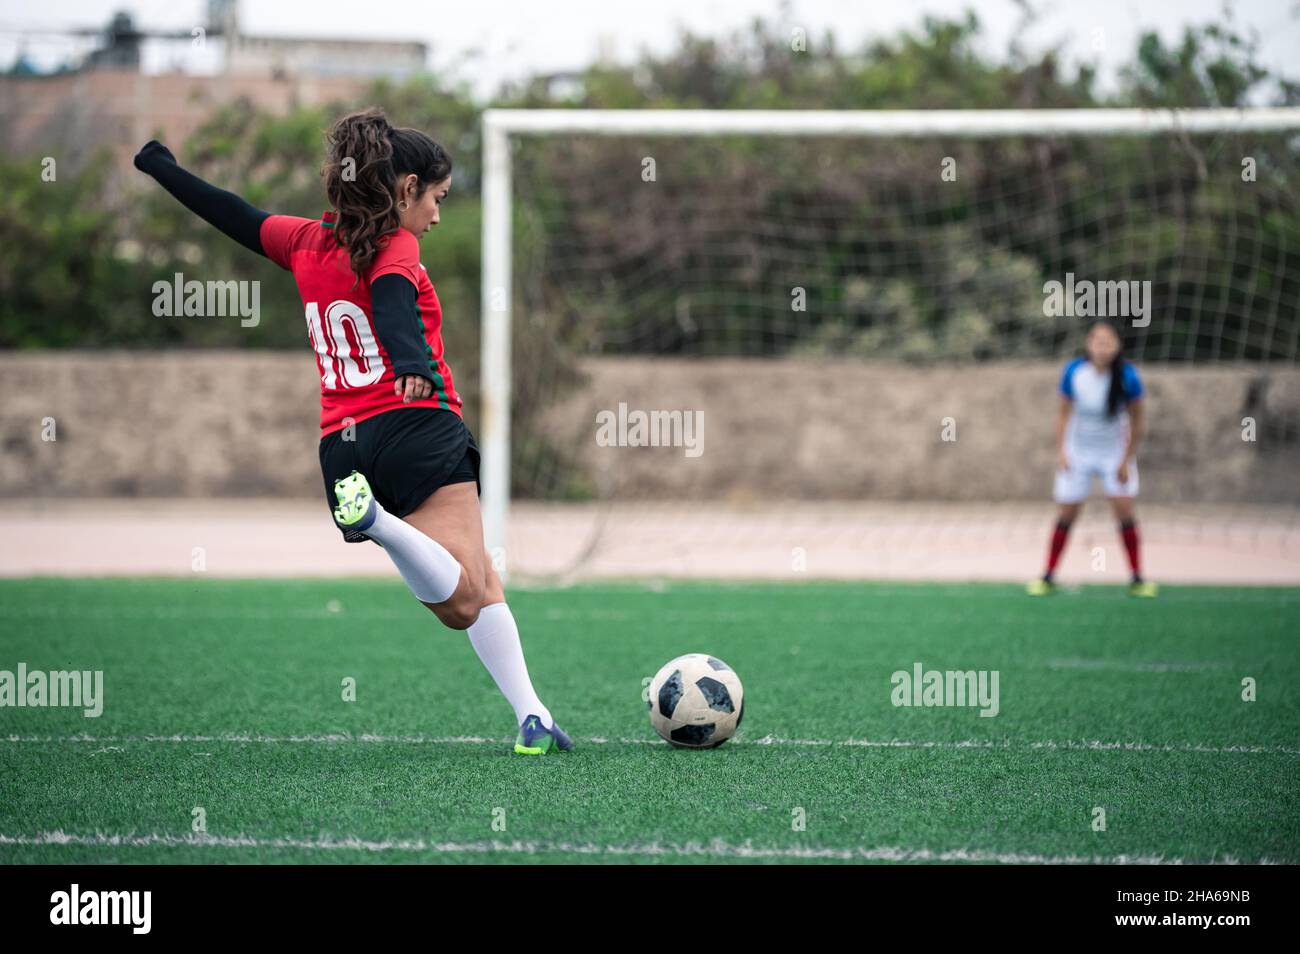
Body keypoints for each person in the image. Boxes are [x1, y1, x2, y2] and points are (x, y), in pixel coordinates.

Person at [134, 107, 572, 754]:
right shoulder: (397, 246)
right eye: (437, 198)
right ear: (404, 189)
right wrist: (412, 366)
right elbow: (393, 303)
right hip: (415, 425)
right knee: (464, 599)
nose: (438, 214)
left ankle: (531, 715)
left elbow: (231, 211)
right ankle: (378, 524)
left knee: (482, 578)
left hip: (343, 448)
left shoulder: (307, 240)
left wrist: (162, 168)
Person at [1028, 319, 1157, 597]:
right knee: (1066, 514)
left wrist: (1126, 459)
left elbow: (1137, 419)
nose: (1102, 347)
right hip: (1079, 453)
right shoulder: (1074, 372)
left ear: (1117, 345)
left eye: (1108, 341)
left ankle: (1137, 578)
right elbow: (1063, 413)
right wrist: (1062, 451)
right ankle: (1048, 575)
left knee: (1124, 512)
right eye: (1097, 341)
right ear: (1089, 344)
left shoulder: (1128, 376)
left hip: (1114, 454)